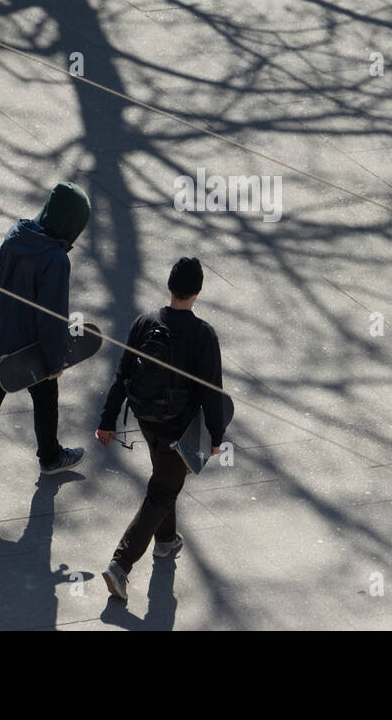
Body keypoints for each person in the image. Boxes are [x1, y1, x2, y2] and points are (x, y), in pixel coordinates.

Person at [94, 257, 229, 602]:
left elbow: (122, 375)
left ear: (170, 286)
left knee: (165, 481)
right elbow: (212, 392)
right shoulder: (203, 335)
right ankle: (120, 564)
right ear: (197, 291)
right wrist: (215, 437)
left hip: (146, 419)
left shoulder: (144, 322)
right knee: (162, 492)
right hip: (178, 429)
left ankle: (166, 541)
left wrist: (108, 420)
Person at [0, 182, 91, 502]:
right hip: (27, 348)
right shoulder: (55, 259)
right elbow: (51, 316)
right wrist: (55, 362)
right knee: (45, 393)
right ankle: (50, 458)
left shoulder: (16, 235)